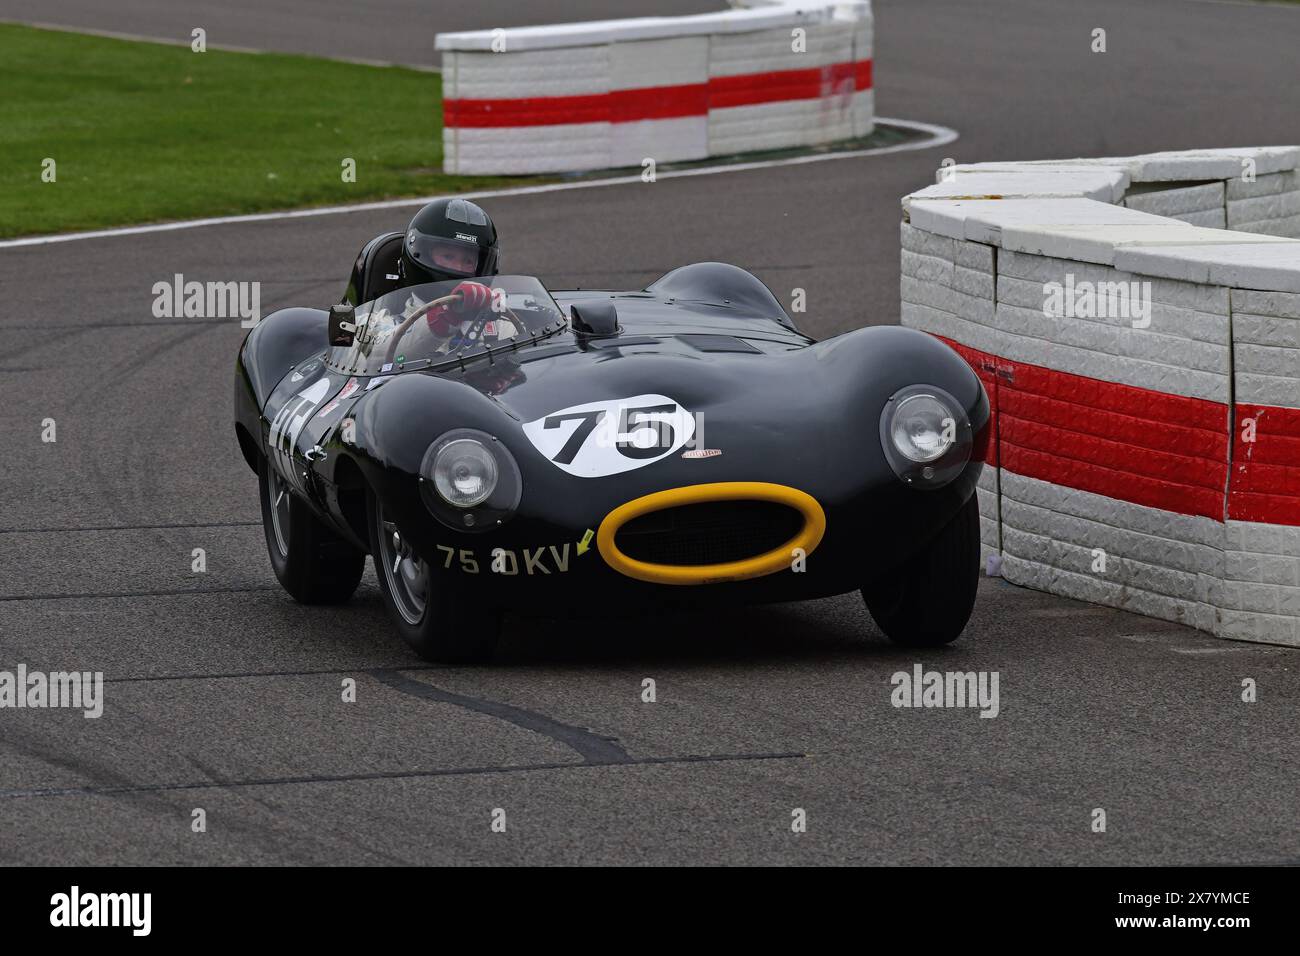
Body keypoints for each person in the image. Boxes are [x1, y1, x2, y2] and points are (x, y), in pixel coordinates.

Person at [347, 197, 502, 341]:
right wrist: (443, 318)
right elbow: (376, 354)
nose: (458, 268)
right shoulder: (375, 325)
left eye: (468, 261)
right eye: (448, 257)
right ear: (421, 254)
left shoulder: (496, 327)